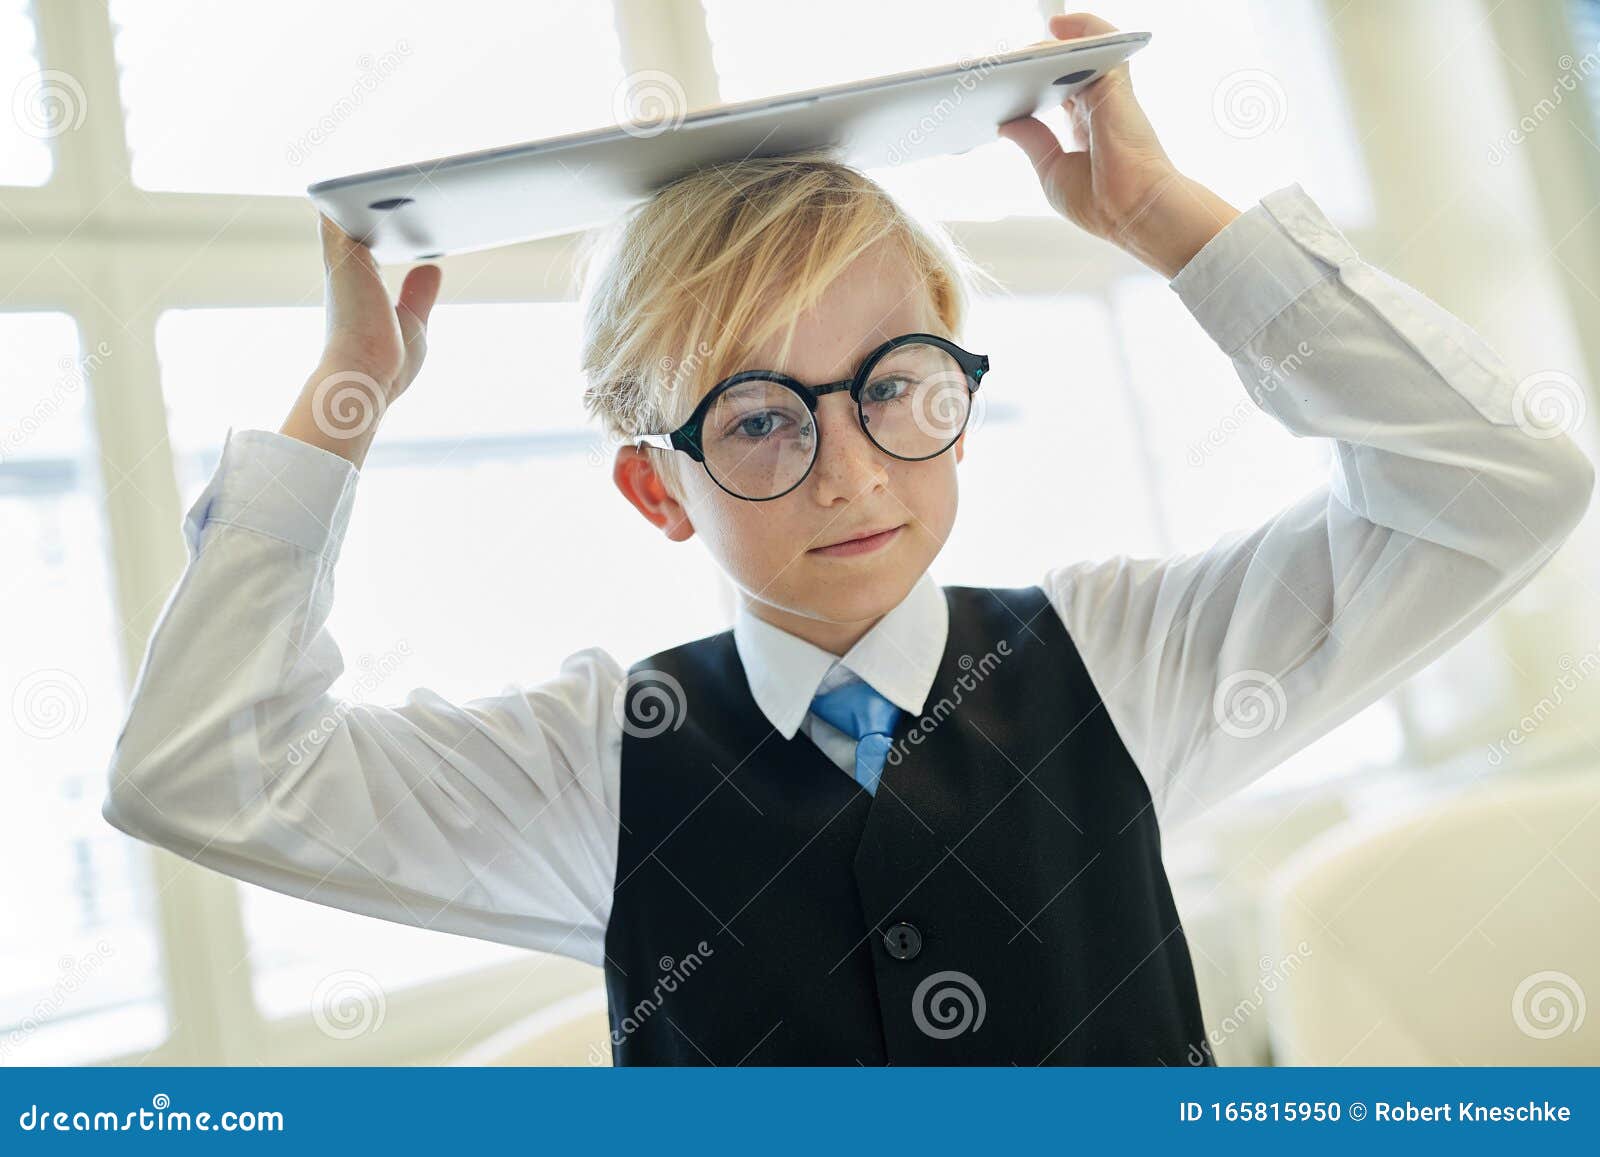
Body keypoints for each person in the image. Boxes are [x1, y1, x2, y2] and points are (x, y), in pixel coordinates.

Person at [102, 13, 1594, 1064]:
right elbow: (199, 768)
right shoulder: (591, 767)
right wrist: (338, 408)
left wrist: (1165, 219)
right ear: (656, 488)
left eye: (896, 387)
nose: (852, 470)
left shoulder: (1126, 662)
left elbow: (1499, 483)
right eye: (759, 418)